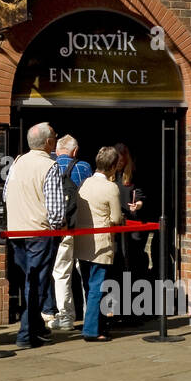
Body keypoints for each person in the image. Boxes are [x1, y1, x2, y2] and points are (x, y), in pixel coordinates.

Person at [3, 123, 65, 349]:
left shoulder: (17, 163)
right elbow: (56, 210)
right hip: (40, 232)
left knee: (28, 282)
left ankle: (36, 328)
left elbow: (5, 194)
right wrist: (59, 227)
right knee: (36, 284)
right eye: (55, 138)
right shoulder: (50, 166)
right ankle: (25, 334)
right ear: (48, 143)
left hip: (16, 230)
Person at [75, 146, 123, 342]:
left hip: (82, 242)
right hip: (101, 243)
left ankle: (98, 325)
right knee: (98, 287)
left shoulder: (85, 183)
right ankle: (92, 330)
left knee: (89, 286)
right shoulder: (111, 188)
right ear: (112, 166)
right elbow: (116, 218)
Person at [48, 134, 92, 332]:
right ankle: (89, 313)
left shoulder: (49, 166)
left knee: (61, 273)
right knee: (85, 271)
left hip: (61, 228)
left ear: (57, 151)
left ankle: (66, 316)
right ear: (75, 151)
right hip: (82, 226)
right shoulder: (84, 167)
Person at [113, 143, 149, 313]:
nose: (119, 163)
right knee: (119, 260)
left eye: (121, 160)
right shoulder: (110, 176)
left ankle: (136, 301)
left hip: (133, 224)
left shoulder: (132, 175)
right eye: (116, 160)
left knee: (135, 260)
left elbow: (141, 196)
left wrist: (138, 205)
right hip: (117, 225)